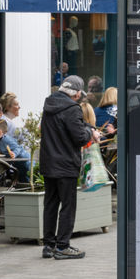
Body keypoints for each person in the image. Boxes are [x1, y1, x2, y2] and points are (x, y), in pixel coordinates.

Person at [40, 75, 100, 260]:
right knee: (68, 206)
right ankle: (63, 246)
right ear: (75, 94)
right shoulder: (73, 109)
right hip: (66, 164)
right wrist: (90, 132)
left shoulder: (49, 105)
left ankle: (49, 245)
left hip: (49, 163)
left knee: (50, 204)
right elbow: (80, 138)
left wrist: (87, 127)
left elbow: (73, 126)